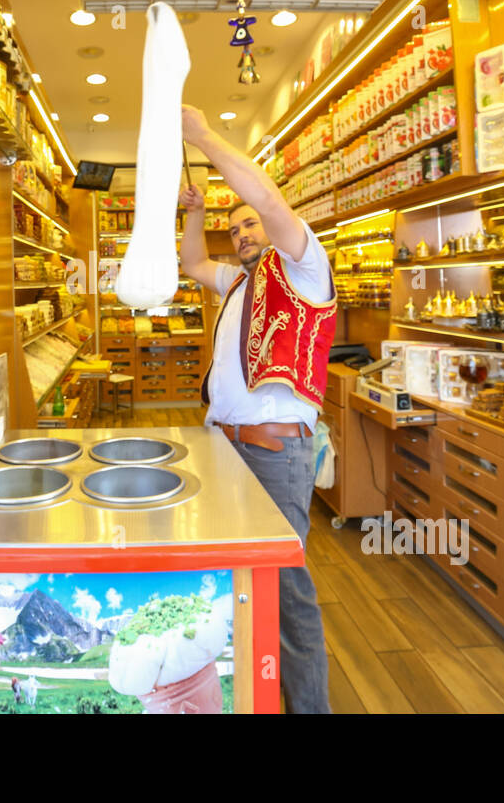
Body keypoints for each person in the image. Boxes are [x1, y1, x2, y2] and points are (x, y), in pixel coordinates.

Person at [177, 104, 338, 714]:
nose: (243, 232)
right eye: (234, 228)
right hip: (227, 448)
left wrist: (207, 137)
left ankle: (310, 707)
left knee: (287, 587)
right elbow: (193, 264)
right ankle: (255, 694)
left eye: (250, 224)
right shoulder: (241, 283)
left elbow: (270, 201)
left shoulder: (303, 267)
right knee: (243, 580)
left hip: (273, 451)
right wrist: (193, 215)